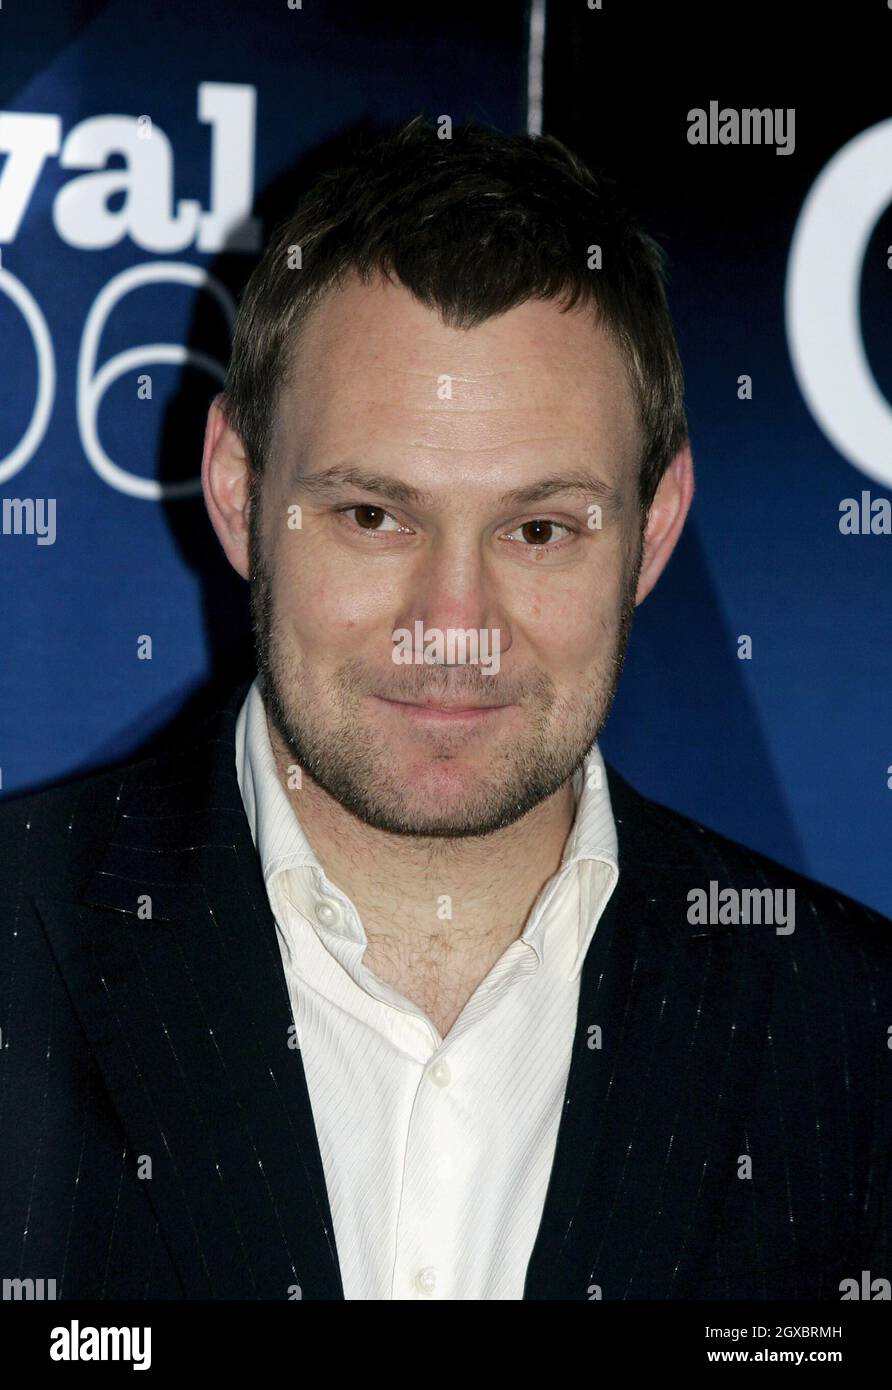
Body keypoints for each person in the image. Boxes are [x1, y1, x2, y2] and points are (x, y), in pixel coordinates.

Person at [1, 116, 890, 1302]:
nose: (453, 621)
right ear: (238, 492)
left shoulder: (852, 1041)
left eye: (537, 529)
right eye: (374, 515)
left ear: (654, 529)